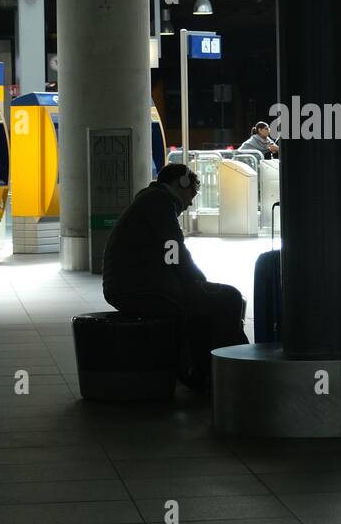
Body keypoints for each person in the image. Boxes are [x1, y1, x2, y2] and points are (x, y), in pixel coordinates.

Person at [102, 163, 247, 390]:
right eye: (192, 193)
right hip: (143, 288)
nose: (190, 202)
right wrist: (197, 279)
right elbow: (174, 249)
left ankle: (206, 371)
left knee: (206, 300)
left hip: (134, 284)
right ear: (182, 184)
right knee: (229, 297)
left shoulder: (151, 200)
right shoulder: (159, 202)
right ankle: (230, 374)